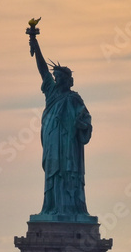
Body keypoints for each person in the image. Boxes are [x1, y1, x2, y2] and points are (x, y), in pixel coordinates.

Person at [28, 28, 93, 221]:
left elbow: (86, 122)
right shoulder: (51, 93)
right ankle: (52, 207)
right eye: (55, 78)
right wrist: (34, 41)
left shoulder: (74, 99)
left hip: (68, 147)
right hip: (52, 143)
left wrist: (82, 125)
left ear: (68, 81)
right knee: (53, 175)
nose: (55, 80)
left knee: (68, 175)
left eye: (59, 78)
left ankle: (71, 210)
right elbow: (42, 69)